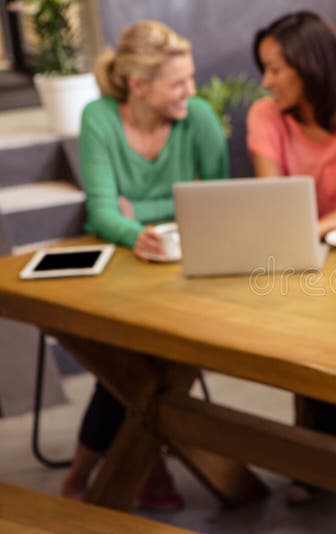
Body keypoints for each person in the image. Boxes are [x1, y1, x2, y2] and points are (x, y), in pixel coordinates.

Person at [61, 20, 229, 508]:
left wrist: (137, 212)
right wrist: (144, 226)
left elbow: (217, 202)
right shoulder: (99, 118)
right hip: (119, 271)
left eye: (190, 78)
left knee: (145, 368)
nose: (192, 91)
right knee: (128, 362)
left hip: (189, 267)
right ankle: (119, 472)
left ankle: (111, 473)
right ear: (138, 84)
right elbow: (103, 213)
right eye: (179, 82)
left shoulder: (197, 117)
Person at [246, 11, 336, 504]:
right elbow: (272, 201)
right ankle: (320, 455)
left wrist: (304, 228)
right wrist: (297, 233)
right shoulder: (266, 116)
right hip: (296, 261)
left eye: (276, 69)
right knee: (303, 335)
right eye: (264, 68)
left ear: (309, 65)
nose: (266, 82)